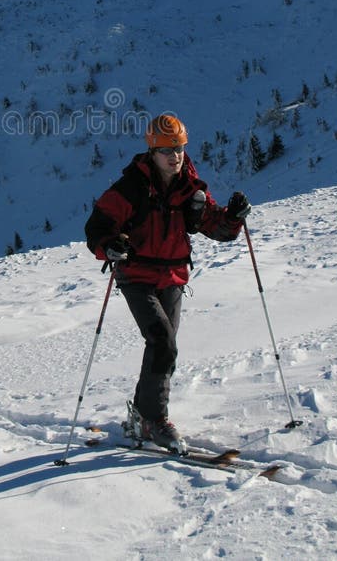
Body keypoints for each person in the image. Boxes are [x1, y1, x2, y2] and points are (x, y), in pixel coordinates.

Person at [84, 114, 251, 450]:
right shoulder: (130, 188)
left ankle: (141, 416)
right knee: (162, 341)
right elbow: (97, 228)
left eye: (179, 148)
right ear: (152, 151)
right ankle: (154, 421)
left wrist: (233, 217)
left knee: (163, 345)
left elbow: (214, 226)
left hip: (173, 276)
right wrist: (110, 246)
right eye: (166, 150)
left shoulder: (190, 187)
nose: (174, 156)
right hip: (136, 275)